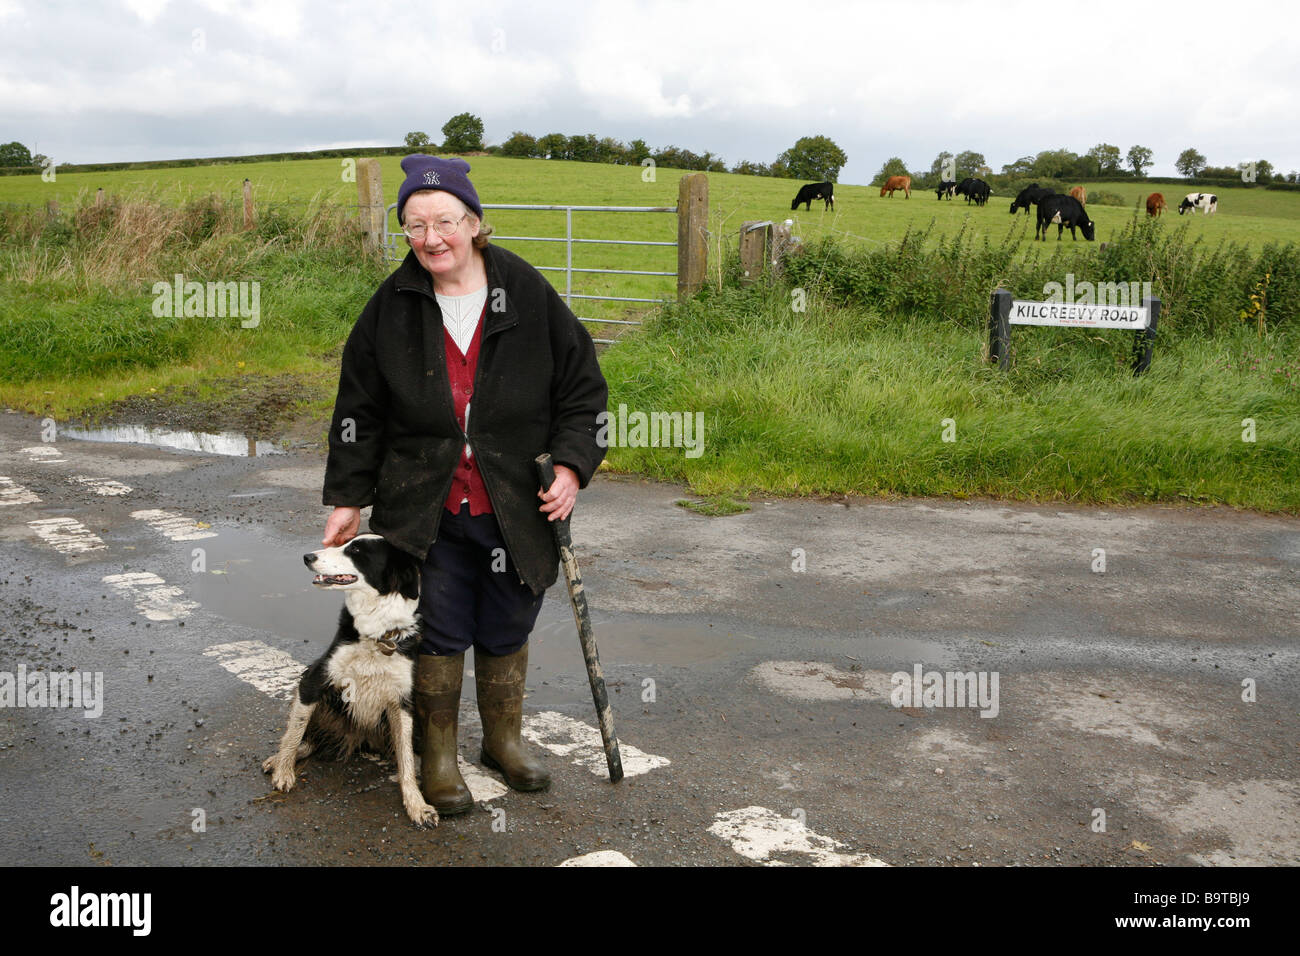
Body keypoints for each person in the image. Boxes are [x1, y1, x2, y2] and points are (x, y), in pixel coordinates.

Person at [320, 154, 608, 815]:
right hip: (427, 505)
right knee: (442, 627)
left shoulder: (525, 292)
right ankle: (438, 756)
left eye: (445, 221)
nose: (430, 238)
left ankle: (502, 743)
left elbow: (583, 389)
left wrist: (569, 467)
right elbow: (358, 412)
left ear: (474, 223)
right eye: (414, 225)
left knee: (509, 617)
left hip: (516, 501)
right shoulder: (389, 308)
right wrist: (347, 497)